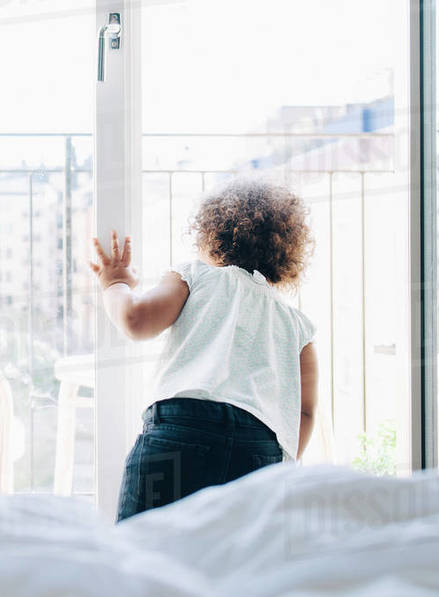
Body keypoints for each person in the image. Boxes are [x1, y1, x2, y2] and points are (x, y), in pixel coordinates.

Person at [88, 176, 318, 521]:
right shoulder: (297, 324)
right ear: (288, 254)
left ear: (211, 237)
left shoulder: (196, 276)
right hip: (259, 450)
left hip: (183, 431)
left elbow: (136, 320)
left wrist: (115, 283)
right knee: (231, 565)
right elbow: (305, 413)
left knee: (143, 551)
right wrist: (277, 467)